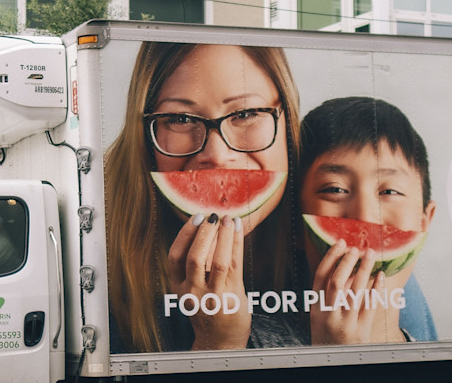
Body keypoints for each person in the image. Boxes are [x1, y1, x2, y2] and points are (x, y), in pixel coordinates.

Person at [104, 42, 305, 353]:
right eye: (181, 119)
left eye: (245, 113)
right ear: (143, 135)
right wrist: (219, 344)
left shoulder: (338, 238)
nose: (217, 155)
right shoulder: (100, 267)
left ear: (287, 117)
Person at [292, 96, 439, 346]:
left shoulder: (439, 364)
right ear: (294, 224)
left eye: (389, 191)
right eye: (335, 189)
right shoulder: (251, 344)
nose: (364, 217)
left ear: (425, 222)